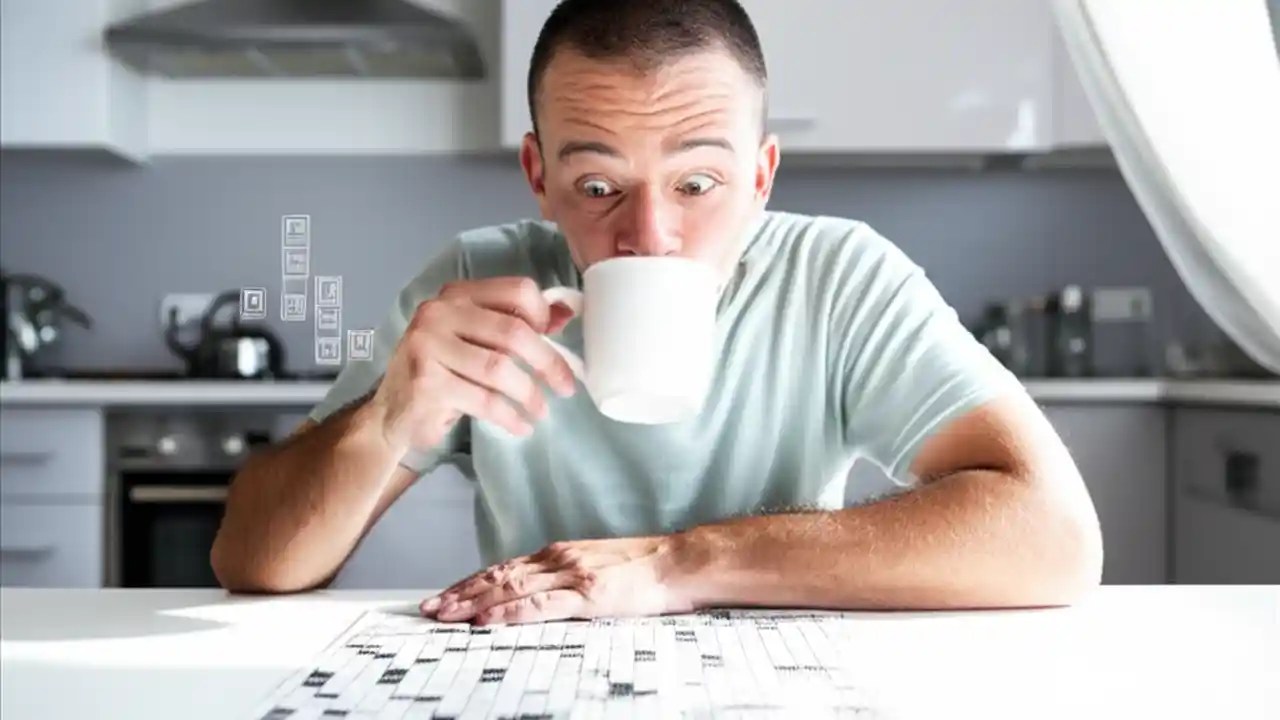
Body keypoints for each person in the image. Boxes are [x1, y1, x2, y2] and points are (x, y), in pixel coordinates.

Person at [210, 0, 1103, 625]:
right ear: (540, 178)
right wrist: (386, 420)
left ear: (760, 177)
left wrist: (681, 564)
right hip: (534, 673)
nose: (650, 235)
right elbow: (252, 563)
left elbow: (1053, 537)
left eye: (698, 183)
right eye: (598, 184)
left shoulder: (840, 279)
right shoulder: (480, 282)